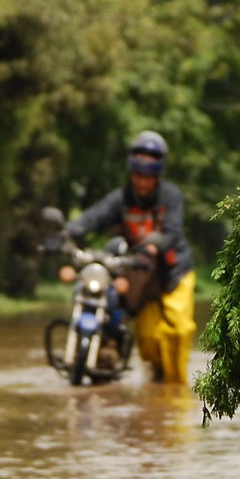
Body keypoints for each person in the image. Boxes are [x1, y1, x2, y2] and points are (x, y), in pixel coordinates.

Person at [65, 131, 196, 384]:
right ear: (130, 172)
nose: (142, 183)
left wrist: (152, 246)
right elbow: (94, 216)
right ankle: (157, 386)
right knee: (148, 339)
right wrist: (66, 232)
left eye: (148, 177)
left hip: (174, 273)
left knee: (178, 331)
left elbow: (171, 231)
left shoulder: (171, 197)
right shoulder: (121, 199)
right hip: (141, 275)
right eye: (138, 176)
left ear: (157, 176)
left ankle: (175, 395)